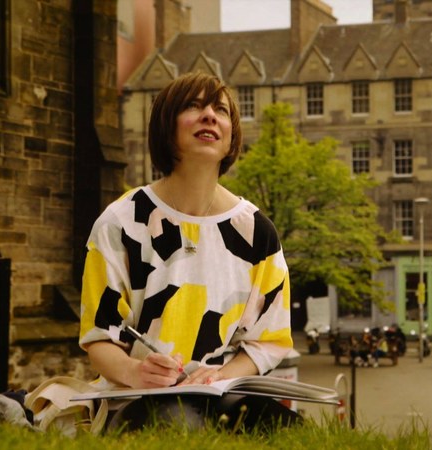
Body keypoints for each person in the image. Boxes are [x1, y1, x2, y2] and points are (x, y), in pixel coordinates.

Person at [79, 72, 297, 431]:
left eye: (221, 110)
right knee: (180, 425)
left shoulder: (258, 232)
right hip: (135, 398)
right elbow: (99, 338)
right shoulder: (121, 222)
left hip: (221, 394)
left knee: (293, 431)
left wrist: (221, 376)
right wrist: (136, 371)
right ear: (167, 127)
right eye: (194, 106)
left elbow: (268, 340)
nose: (210, 115)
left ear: (231, 139)